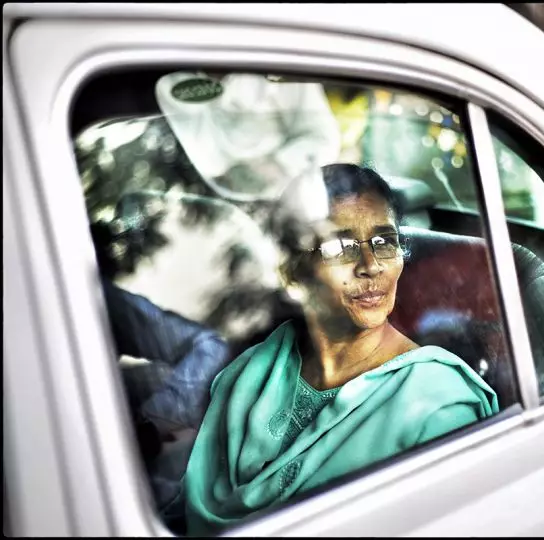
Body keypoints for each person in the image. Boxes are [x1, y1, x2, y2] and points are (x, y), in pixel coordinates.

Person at [179, 164, 499, 535]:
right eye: (340, 248)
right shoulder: (251, 374)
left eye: (385, 242)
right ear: (292, 271)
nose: (370, 266)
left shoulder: (439, 404)